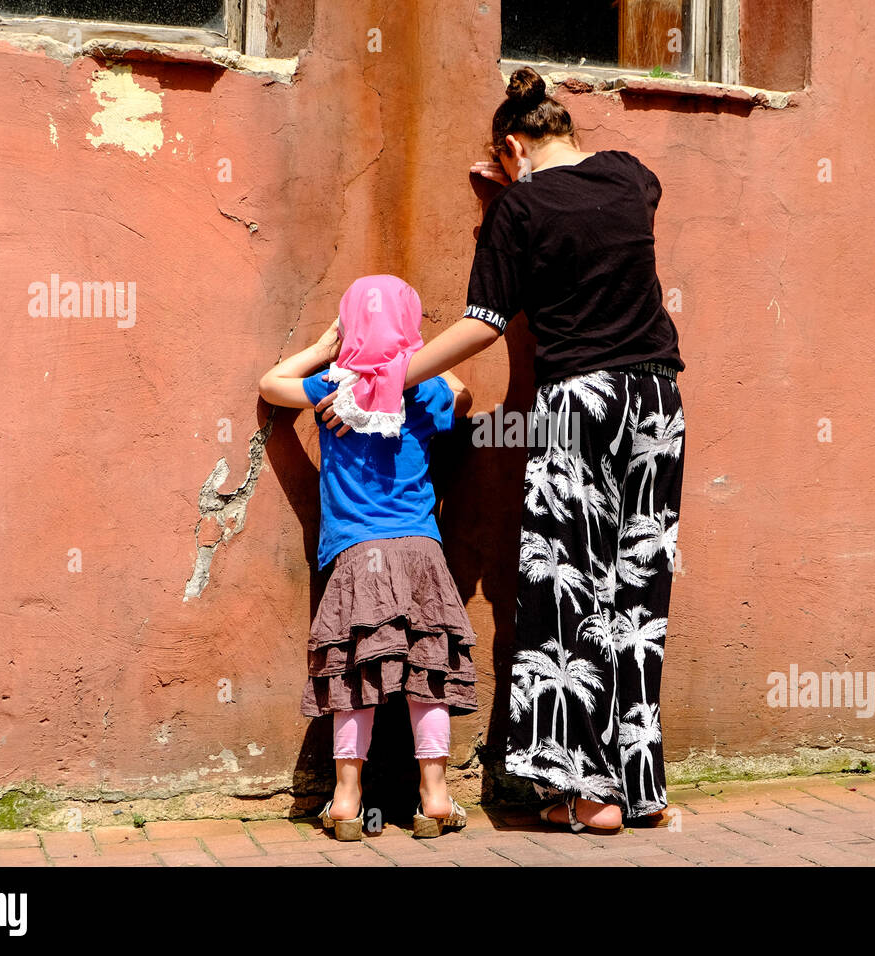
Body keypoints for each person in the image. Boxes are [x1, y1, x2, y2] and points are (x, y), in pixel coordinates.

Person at [316, 68, 686, 833]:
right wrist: (521, 173)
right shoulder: (628, 175)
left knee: (569, 591)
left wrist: (382, 375)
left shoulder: (519, 209)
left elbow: (483, 322)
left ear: (512, 148)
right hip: (657, 400)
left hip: (578, 401)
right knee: (637, 593)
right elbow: (612, 191)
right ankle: (638, 785)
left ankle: (588, 794)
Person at [258, 274, 476, 840]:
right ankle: (435, 795)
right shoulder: (425, 390)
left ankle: (347, 800)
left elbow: (270, 384)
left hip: (359, 554)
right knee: (428, 670)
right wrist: (416, 356)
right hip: (421, 549)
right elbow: (463, 397)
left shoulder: (333, 385)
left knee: (356, 676)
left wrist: (327, 349)